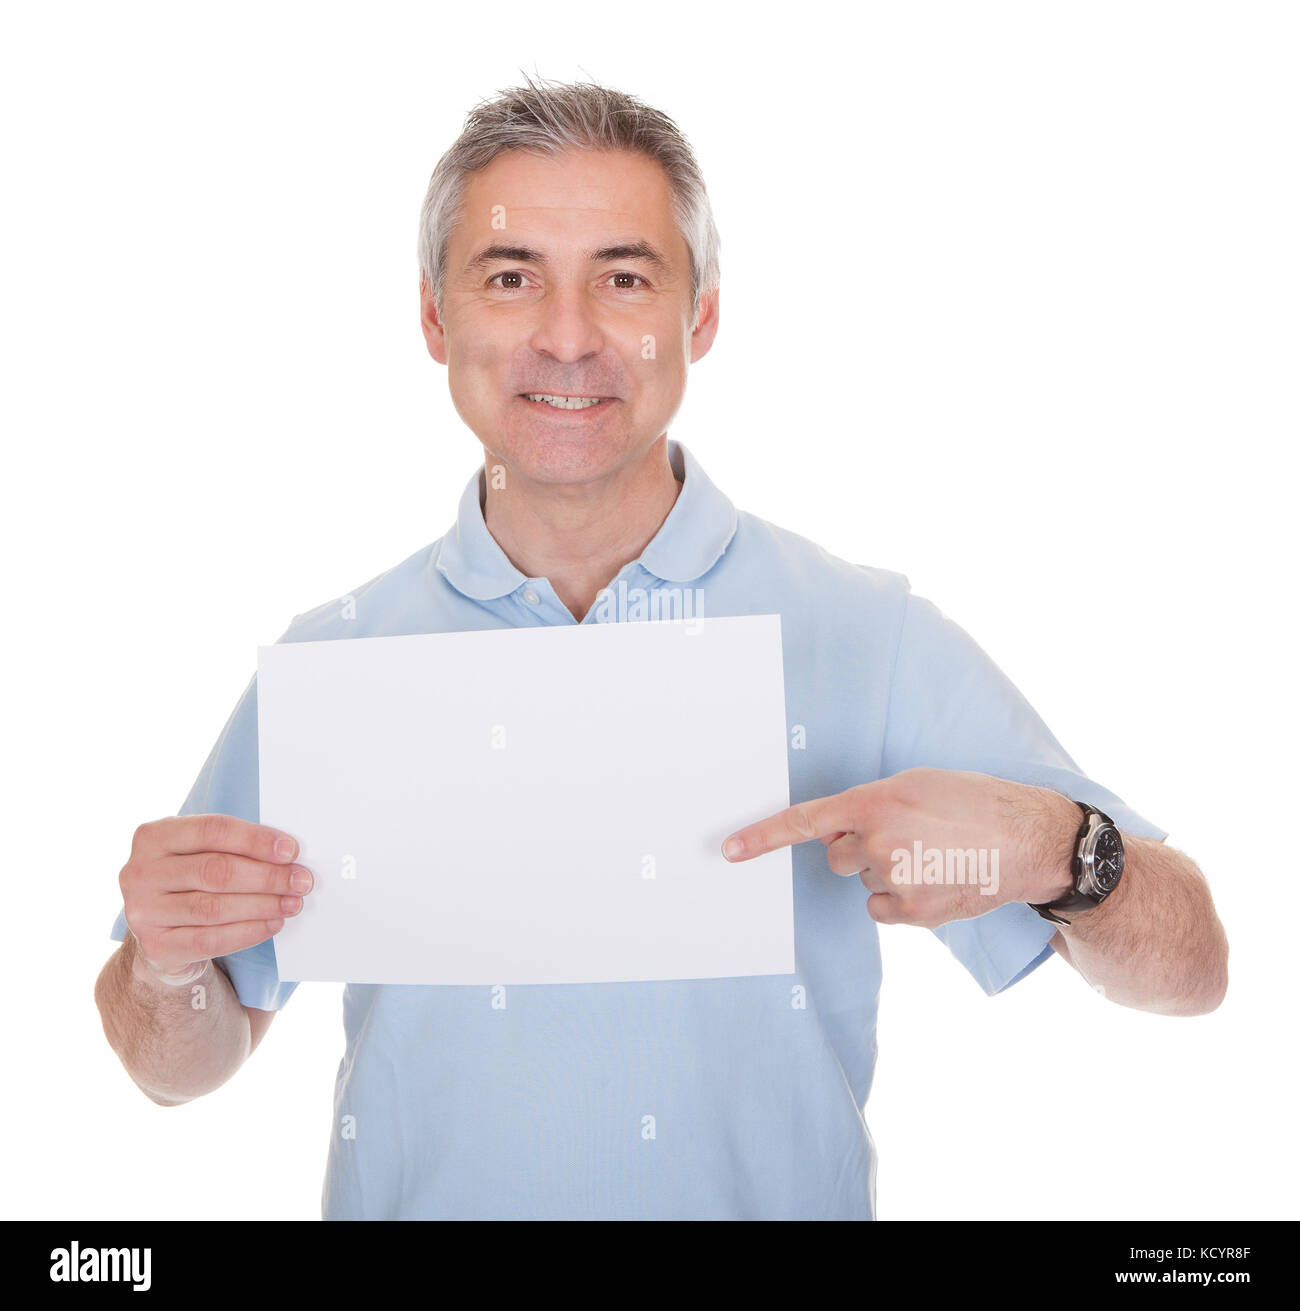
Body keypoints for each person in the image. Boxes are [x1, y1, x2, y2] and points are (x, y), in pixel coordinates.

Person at [95, 76, 1228, 1221]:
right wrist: (165, 962)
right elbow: (174, 1062)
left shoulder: (867, 636)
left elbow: (1193, 971)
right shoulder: (333, 666)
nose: (570, 336)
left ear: (701, 318)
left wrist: (1060, 849)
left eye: (624, 279)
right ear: (436, 318)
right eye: (510, 275)